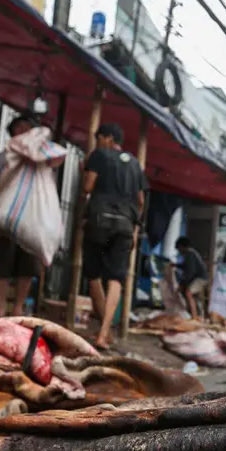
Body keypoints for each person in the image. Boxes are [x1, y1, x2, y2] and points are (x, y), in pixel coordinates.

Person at [80, 122, 148, 349]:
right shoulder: (136, 164)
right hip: (125, 225)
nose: (97, 142)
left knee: (93, 275)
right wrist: (135, 229)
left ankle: (103, 332)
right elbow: (140, 201)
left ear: (107, 138)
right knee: (116, 279)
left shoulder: (99, 154)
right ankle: (104, 334)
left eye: (98, 137)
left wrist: (85, 170)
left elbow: (88, 187)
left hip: (100, 218)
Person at [0, 116, 41, 317]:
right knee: (2, 263)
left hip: (30, 220)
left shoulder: (38, 160)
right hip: (5, 219)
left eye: (28, 128)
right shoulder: (3, 156)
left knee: (27, 264)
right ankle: (0, 309)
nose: (24, 132)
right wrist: (7, 193)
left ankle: (17, 308)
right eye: (20, 129)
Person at [175, 237, 209, 320]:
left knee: (188, 293)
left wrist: (182, 284)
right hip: (197, 278)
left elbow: (190, 271)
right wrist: (176, 265)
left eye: (179, 248)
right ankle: (194, 314)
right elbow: (186, 267)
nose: (179, 251)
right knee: (190, 293)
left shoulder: (190, 254)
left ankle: (194, 316)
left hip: (201, 278)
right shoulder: (189, 254)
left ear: (182, 246)